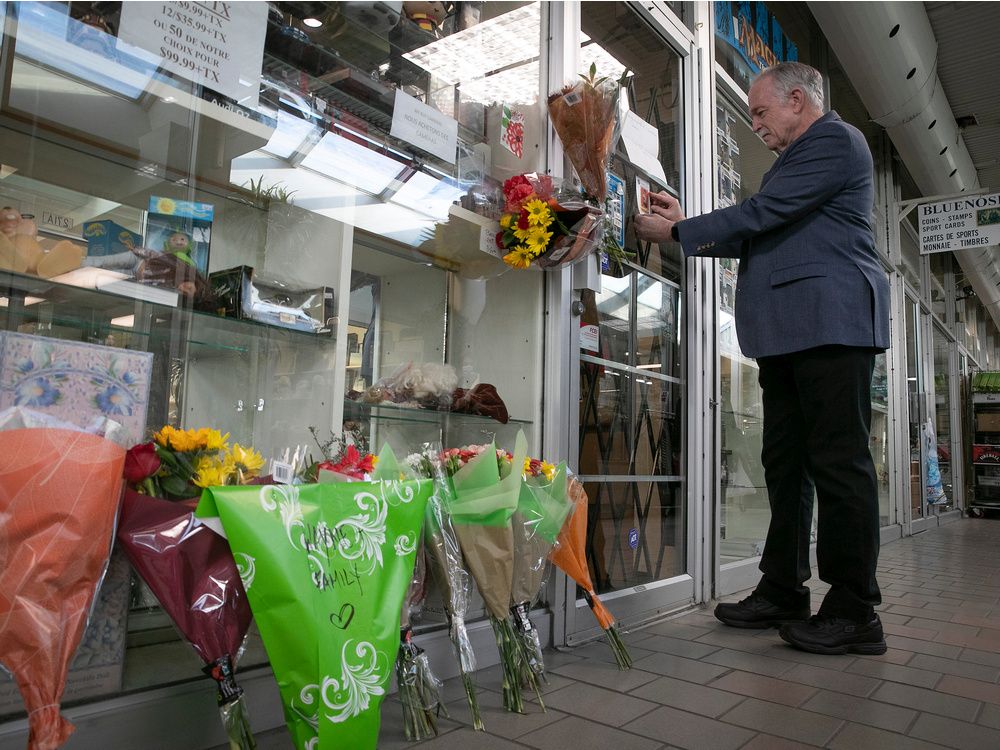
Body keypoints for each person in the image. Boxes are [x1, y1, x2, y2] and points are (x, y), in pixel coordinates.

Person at [633, 61, 890, 656]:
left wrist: (678, 232)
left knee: (838, 464)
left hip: (830, 323)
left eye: (760, 111)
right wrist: (686, 225)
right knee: (786, 464)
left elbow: (761, 217)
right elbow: (760, 228)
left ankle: (855, 611)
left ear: (798, 99)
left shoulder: (834, 141)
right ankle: (783, 588)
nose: (754, 125)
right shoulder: (791, 163)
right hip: (790, 333)